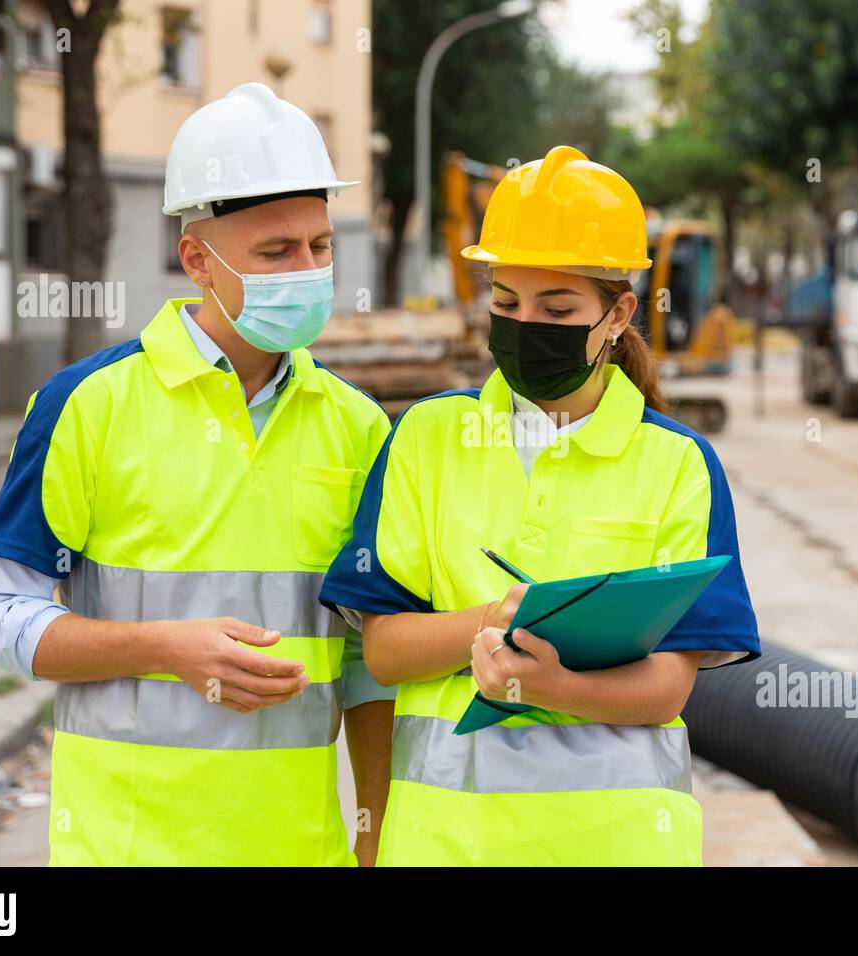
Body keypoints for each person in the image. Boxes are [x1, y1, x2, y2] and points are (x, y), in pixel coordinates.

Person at [0, 83, 395, 866]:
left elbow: (369, 662)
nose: (307, 270)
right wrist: (164, 646)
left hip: (302, 853)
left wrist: (375, 842)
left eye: (320, 246)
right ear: (197, 258)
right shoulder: (86, 406)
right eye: (276, 252)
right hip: (124, 851)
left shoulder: (361, 428)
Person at [319, 145, 761, 866]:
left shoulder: (680, 465)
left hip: (615, 849)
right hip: (444, 849)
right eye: (505, 303)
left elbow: (668, 689)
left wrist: (549, 683)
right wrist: (489, 623)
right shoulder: (426, 438)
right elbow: (386, 650)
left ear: (618, 314)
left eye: (556, 308)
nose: (525, 325)